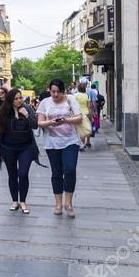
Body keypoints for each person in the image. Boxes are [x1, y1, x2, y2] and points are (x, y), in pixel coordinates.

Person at [37, 78, 83, 217]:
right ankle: (58, 203)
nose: (55, 95)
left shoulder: (71, 100)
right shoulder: (45, 103)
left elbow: (79, 118)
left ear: (63, 91)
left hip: (70, 140)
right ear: (49, 91)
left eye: (58, 92)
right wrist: (50, 122)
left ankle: (68, 203)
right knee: (56, 172)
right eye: (53, 92)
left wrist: (65, 120)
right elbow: (40, 122)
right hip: (52, 142)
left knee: (69, 170)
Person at [0, 87, 40, 213]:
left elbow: (35, 125)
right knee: (12, 174)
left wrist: (27, 115)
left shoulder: (27, 108)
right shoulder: (4, 111)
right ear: (11, 100)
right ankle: (14, 200)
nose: (19, 101)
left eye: (20, 98)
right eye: (16, 98)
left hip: (26, 147)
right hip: (8, 148)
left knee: (23, 173)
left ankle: (23, 201)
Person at [74, 82, 94, 150]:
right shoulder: (87, 96)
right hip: (86, 113)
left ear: (78, 88)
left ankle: (82, 144)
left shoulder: (75, 95)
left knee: (80, 129)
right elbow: (89, 106)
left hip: (77, 114)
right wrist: (91, 115)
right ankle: (88, 142)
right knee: (87, 128)